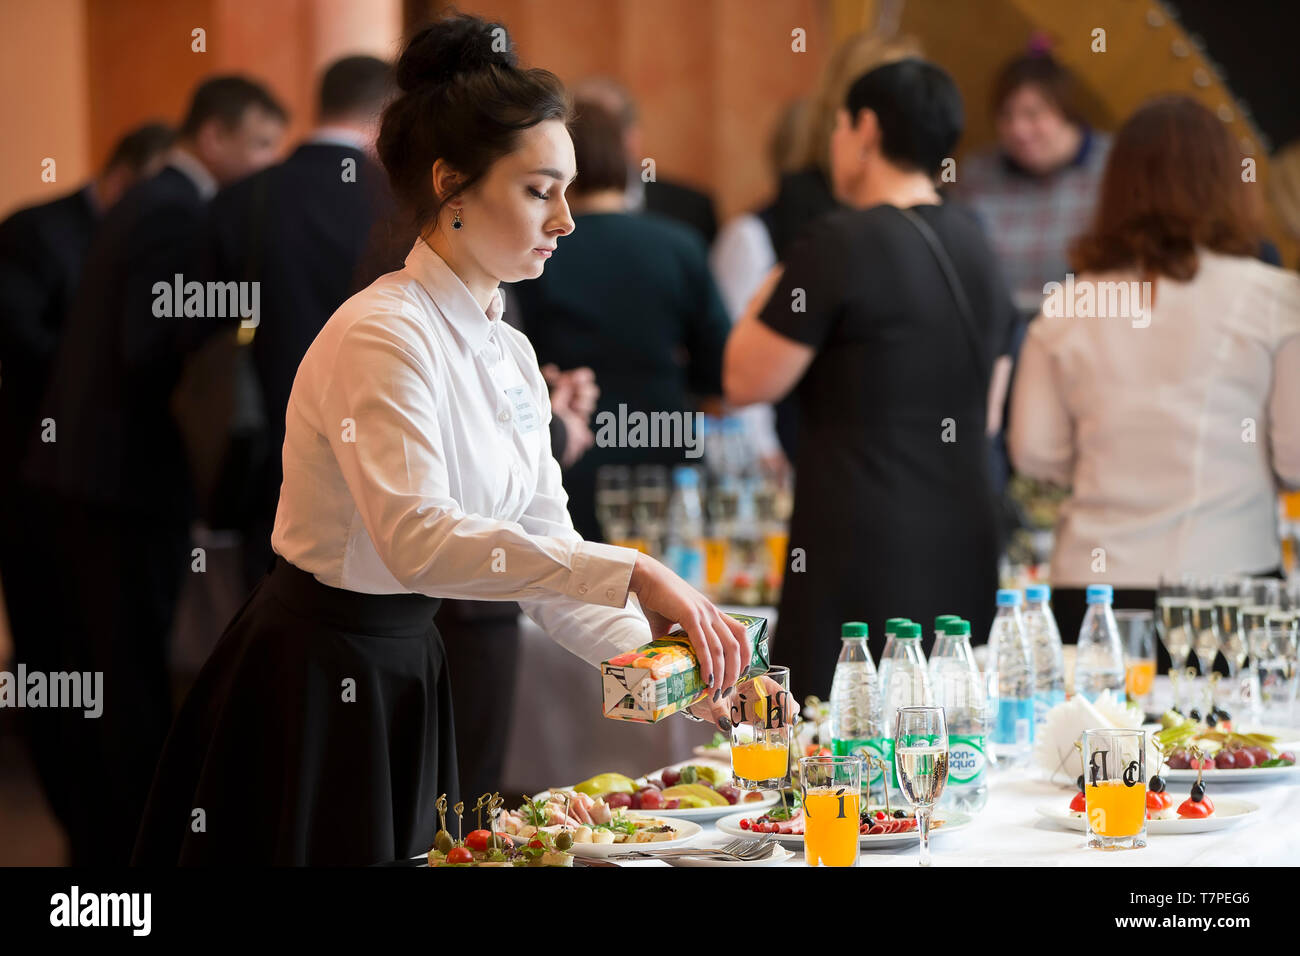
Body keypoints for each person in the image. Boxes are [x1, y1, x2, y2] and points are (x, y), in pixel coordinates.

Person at [132, 15, 750, 867]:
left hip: (410, 663)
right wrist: (636, 570)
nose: (567, 220)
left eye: (568, 189)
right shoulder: (383, 334)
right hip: (318, 669)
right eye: (541, 191)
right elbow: (418, 542)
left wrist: (676, 670)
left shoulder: (510, 347)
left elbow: (547, 564)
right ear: (451, 186)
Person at [23, 75, 287, 865]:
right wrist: (241, 321)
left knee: (106, 676)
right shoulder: (177, 210)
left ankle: (109, 846)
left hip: (89, 482)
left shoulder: (145, 200)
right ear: (215, 137)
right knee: (129, 680)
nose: (267, 163)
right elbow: (150, 343)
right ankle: (137, 856)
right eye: (262, 144)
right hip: (126, 486)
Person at [725, 59, 1016, 695]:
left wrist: (778, 279)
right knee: (947, 725)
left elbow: (745, 378)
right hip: (965, 533)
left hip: (861, 541)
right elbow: (989, 415)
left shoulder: (837, 243)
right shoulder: (978, 245)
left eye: (837, 126)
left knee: (838, 739)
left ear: (866, 129)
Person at [1007, 95, 1300, 645]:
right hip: (1228, 586)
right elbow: (1296, 457)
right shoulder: (1275, 298)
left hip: (1093, 590)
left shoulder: (1067, 306)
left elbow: (1034, 454)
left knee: (1097, 734)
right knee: (1235, 735)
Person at [0, 121, 173, 863]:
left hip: (117, 493)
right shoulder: (36, 233)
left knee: (118, 665)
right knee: (52, 659)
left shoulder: (146, 241)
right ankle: (83, 828)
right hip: (35, 487)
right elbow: (18, 341)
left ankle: (125, 828)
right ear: (125, 177)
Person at [205, 55, 397, 588]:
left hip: (269, 448)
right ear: (389, 113)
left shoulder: (245, 198)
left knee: (267, 611)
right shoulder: (405, 200)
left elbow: (206, 323)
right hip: (383, 454)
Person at [510, 100, 732, 544]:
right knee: (667, 596)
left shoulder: (538, 250)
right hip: (668, 451)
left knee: (573, 598)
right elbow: (719, 366)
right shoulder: (679, 245)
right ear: (625, 158)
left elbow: (515, 354)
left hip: (571, 451)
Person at [954, 49, 1111, 314]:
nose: (1018, 130)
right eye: (1006, 115)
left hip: (1082, 323)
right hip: (998, 322)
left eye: (1033, 114)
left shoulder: (1110, 166)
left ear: (1065, 111)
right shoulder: (977, 173)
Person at [570, 77, 718, 244]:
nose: (590, 144)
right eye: (579, 131)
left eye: (603, 132)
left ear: (633, 138)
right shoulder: (548, 203)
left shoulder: (691, 209)